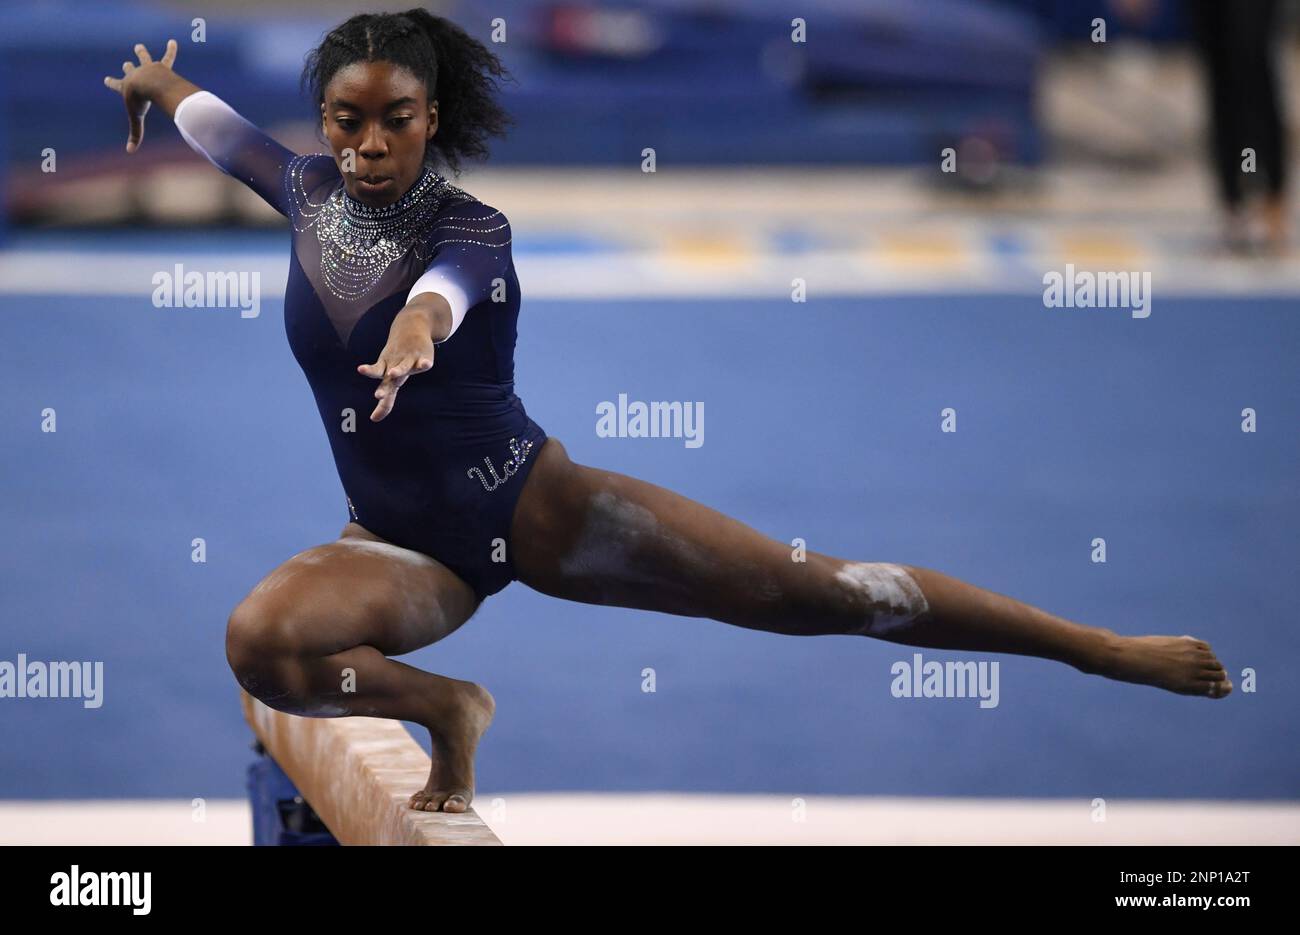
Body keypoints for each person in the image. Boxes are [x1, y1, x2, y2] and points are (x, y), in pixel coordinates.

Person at [104, 10, 1231, 815]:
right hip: (394, 547)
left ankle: (1097, 649)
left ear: (430, 113)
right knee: (261, 642)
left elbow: (444, 294)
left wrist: (416, 330)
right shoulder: (303, 190)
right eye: (346, 122)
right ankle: (451, 705)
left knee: (819, 591)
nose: (369, 146)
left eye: (395, 120)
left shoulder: (472, 228)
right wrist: (161, 88)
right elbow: (224, 131)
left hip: (536, 506)